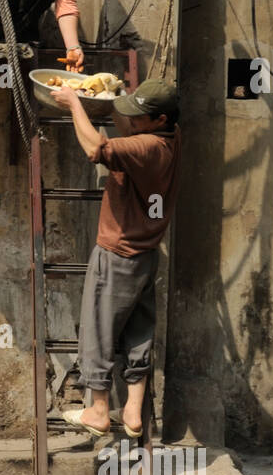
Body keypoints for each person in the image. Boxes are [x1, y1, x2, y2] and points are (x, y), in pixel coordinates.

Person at [52, 78, 182, 438]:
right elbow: (129, 126)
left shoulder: (144, 148)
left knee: (98, 331)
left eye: (140, 116)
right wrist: (114, 97)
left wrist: (74, 104)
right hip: (146, 253)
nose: (133, 120)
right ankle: (133, 412)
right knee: (139, 332)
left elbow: (95, 148)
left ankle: (96, 410)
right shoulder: (171, 137)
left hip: (116, 253)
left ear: (159, 120)